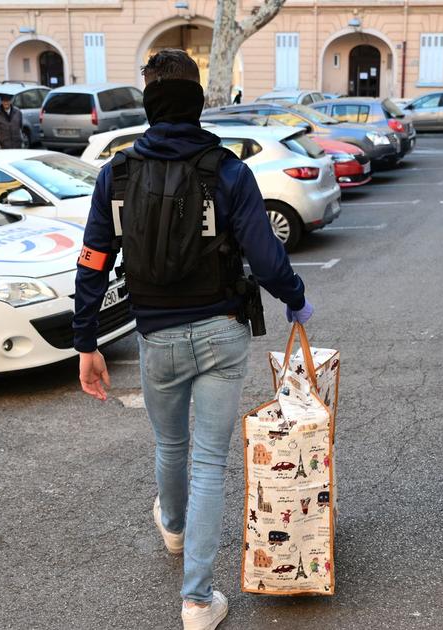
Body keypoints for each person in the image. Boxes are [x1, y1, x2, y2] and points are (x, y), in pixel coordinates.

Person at [73, 49, 313, 630]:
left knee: (170, 448)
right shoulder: (226, 169)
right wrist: (297, 298)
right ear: (198, 101)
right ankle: (198, 602)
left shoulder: (118, 174)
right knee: (209, 462)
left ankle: (174, 530)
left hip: (156, 336)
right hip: (222, 330)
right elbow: (265, 252)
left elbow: (93, 262)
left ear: (149, 101)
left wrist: (87, 342)